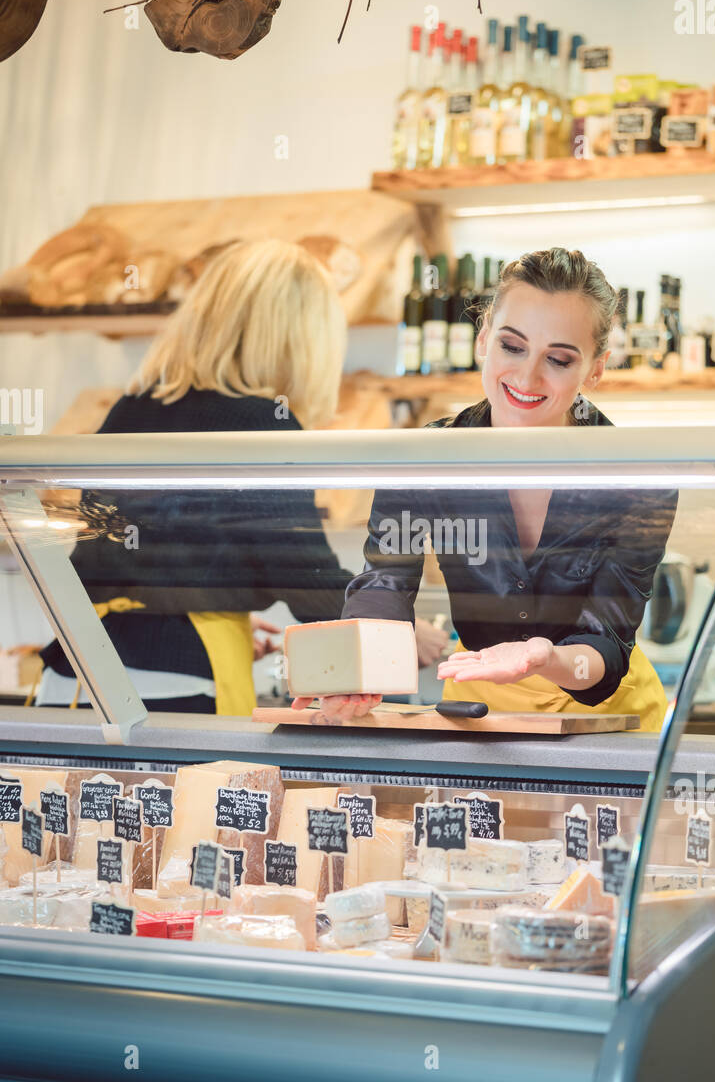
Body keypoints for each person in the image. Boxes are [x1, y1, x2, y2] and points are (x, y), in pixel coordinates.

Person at [36, 238, 447, 714]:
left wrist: (220, 603)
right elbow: (304, 576)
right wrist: (397, 629)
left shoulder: (134, 407)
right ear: (300, 338)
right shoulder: (262, 422)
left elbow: (123, 556)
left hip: (70, 675)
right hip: (165, 691)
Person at [292, 247, 678, 731]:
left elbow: (607, 641)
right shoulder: (426, 458)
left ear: (595, 370)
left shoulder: (637, 479)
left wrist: (545, 658)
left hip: (604, 717)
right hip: (478, 712)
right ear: (483, 340)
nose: (526, 376)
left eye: (558, 359)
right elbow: (385, 582)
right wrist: (357, 671)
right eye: (512, 346)